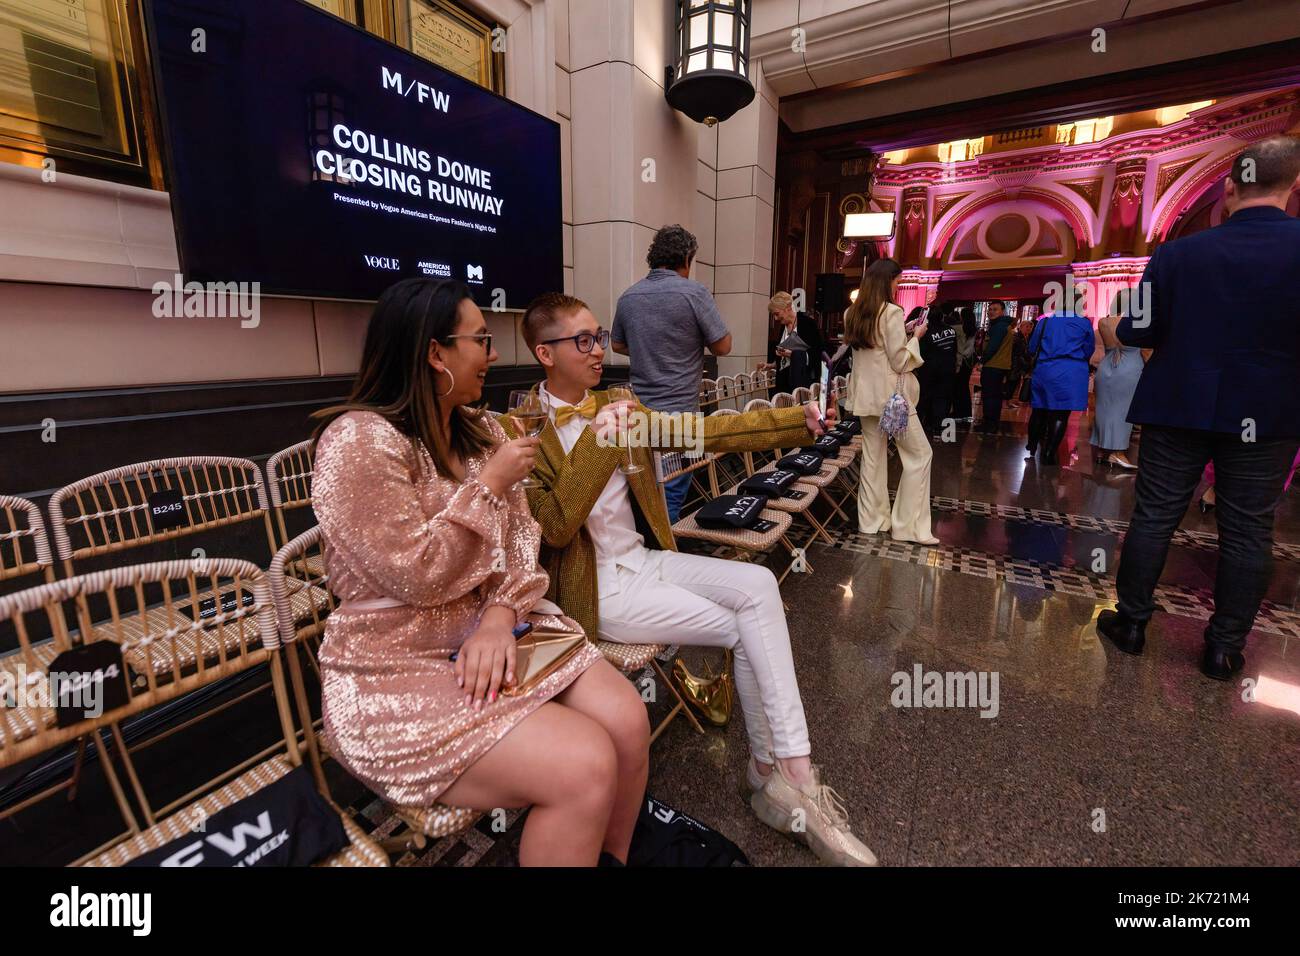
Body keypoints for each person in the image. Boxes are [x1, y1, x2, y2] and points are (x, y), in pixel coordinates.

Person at [508, 291, 878, 867]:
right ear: (544, 352)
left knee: (758, 588)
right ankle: (774, 782)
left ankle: (790, 774)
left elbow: (699, 433)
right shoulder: (519, 430)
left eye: (600, 336)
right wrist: (604, 441)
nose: (599, 350)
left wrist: (794, 423)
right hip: (596, 590)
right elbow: (554, 527)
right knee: (744, 625)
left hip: (645, 558)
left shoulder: (620, 403)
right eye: (582, 341)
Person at [310, 278, 649, 867]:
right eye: (482, 341)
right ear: (434, 352)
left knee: (626, 719)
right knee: (584, 763)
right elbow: (419, 574)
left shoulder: (483, 430)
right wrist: (488, 485)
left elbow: (523, 539)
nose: (494, 356)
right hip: (394, 665)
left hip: (491, 632)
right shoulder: (358, 441)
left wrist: (498, 615)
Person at [1097, 135, 1300, 681]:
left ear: (1231, 186)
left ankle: (1132, 624)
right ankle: (1222, 649)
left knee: (1155, 516)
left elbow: (1140, 327)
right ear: (1293, 185)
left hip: (1178, 404)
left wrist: (1115, 327)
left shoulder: (1177, 253)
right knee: (1249, 530)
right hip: (1272, 412)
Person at [612, 224, 731, 523]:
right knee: (675, 490)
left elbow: (616, 343)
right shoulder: (694, 292)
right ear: (686, 258)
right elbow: (723, 346)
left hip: (637, 411)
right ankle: (665, 554)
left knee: (641, 488)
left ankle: (644, 548)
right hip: (681, 411)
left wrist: (645, 349)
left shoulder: (629, 296)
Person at [844, 258, 939, 545]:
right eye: (897, 281)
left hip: (865, 397)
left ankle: (872, 521)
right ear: (887, 281)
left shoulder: (852, 313)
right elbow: (899, 361)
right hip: (892, 400)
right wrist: (917, 337)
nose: (898, 286)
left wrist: (905, 332)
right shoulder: (892, 312)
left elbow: (874, 350)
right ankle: (907, 526)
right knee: (920, 455)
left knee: (873, 459)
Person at [1023, 307, 1094, 465]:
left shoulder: (1045, 322)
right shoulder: (1084, 323)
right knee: (1061, 414)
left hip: (1045, 369)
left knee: (1039, 410)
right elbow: (1088, 350)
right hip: (1071, 372)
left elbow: (1032, 347)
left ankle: (1033, 444)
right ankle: (1049, 453)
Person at [1089, 295, 1145, 470]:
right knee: (1123, 412)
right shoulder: (1137, 322)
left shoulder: (1104, 322)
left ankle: (1101, 451)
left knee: (1104, 409)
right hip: (1129, 368)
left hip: (1106, 368)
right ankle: (1118, 453)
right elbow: (1145, 349)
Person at [762, 291, 820, 392]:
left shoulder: (808, 324)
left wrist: (793, 355)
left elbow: (818, 354)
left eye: (777, 314)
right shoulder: (782, 327)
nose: (775, 318)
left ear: (787, 309)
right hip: (783, 383)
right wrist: (771, 365)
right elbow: (784, 360)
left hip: (802, 383)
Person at [917, 303, 957, 437]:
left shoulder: (926, 332)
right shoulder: (951, 330)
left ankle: (924, 424)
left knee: (925, 397)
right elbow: (954, 350)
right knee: (942, 398)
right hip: (948, 369)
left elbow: (921, 352)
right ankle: (938, 427)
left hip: (930, 370)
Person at [977, 301, 1013, 434]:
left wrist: (982, 361)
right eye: (990, 309)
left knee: (990, 397)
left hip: (993, 366)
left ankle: (989, 424)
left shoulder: (999, 327)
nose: (991, 312)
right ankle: (992, 424)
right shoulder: (1004, 325)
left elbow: (992, 347)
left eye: (995, 309)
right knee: (995, 397)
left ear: (1002, 311)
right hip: (1000, 366)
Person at [951, 308, 976, 422]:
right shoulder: (973, 329)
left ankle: (958, 413)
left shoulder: (959, 329)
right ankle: (966, 413)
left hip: (961, 362)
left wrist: (957, 364)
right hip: (968, 362)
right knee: (964, 388)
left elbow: (960, 349)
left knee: (957, 389)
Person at [1006, 318, 1034, 409]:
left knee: (1015, 383)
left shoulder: (1026, 338)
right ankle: (1008, 401)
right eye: (1026, 327)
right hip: (1015, 364)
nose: (1029, 329)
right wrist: (1026, 363)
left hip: (1019, 365)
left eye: (1030, 327)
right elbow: (1016, 353)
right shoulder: (1017, 337)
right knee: (1012, 383)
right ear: (1020, 327)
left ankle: (1010, 401)